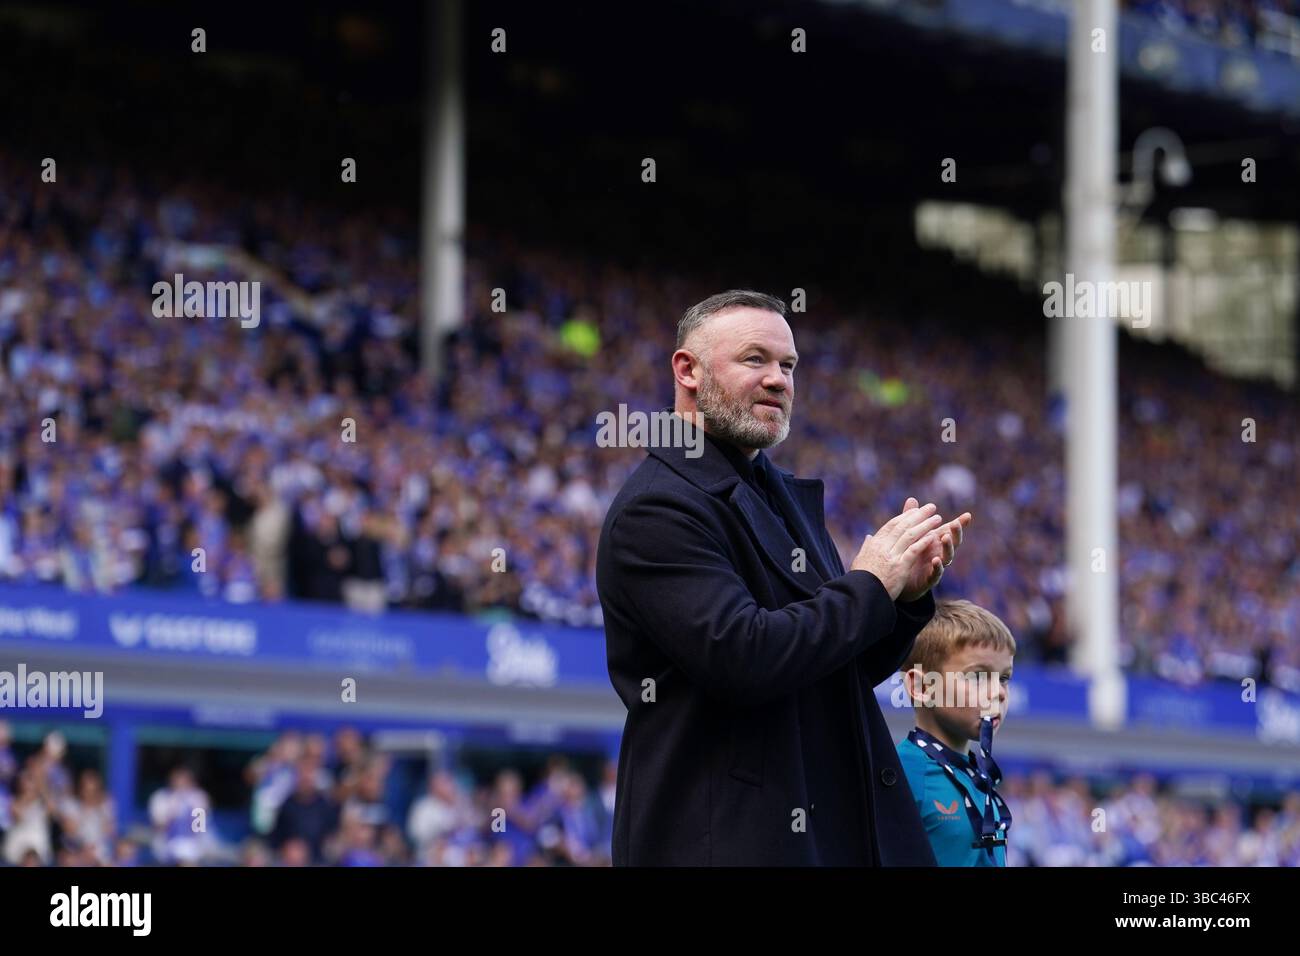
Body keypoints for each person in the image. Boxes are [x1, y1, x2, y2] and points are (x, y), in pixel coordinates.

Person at [596, 290, 972, 865]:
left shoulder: (781, 496)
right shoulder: (658, 508)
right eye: (755, 359)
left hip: (814, 831)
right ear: (687, 370)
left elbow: (835, 668)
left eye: (788, 365)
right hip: (724, 843)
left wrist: (902, 601)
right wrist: (869, 585)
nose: (778, 380)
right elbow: (745, 656)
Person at [896, 598, 1016, 866]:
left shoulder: (978, 778)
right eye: (977, 676)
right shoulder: (900, 773)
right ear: (923, 686)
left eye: (1004, 678)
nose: (998, 692)